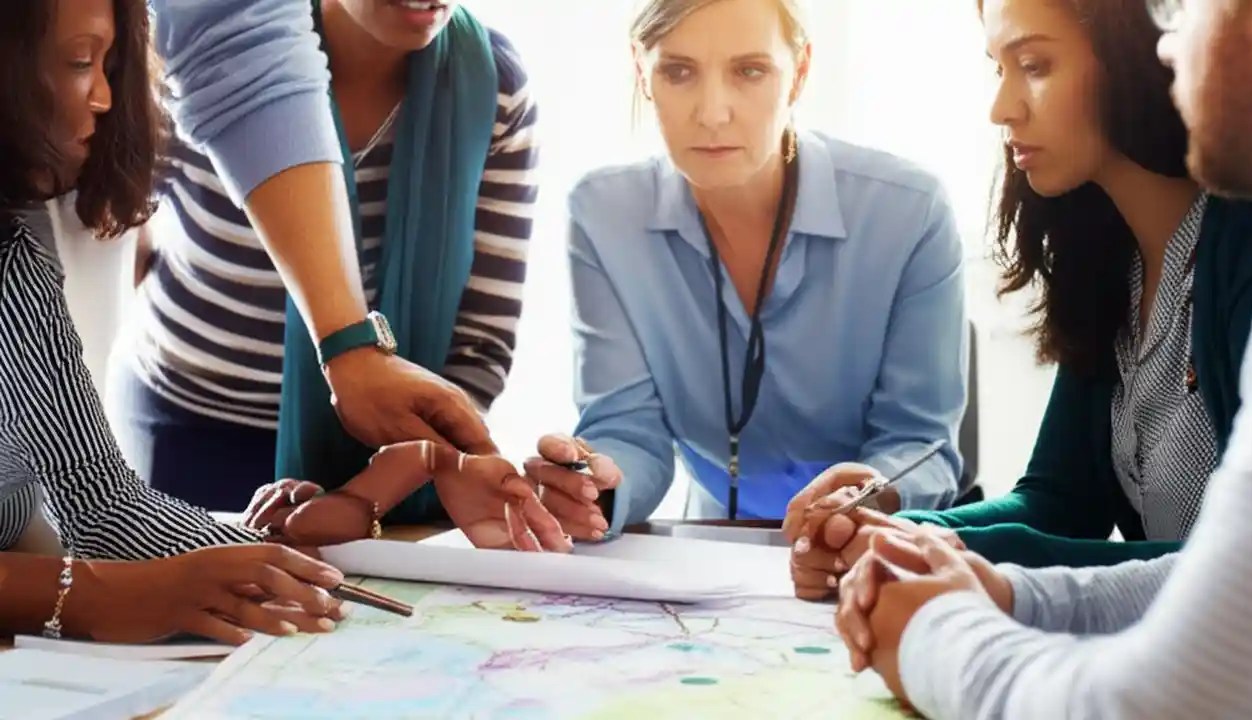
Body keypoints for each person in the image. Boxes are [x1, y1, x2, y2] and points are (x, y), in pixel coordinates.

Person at [0, 0, 570, 644]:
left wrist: (302, 537)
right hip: (188, 432)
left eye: (107, 65)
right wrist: (90, 596)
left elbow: (98, 500)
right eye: (80, 62)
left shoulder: (20, 265)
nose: (106, 99)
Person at [834, 0, 1252, 717]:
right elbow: (1062, 502)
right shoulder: (1106, 254)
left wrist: (965, 584)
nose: (1001, 108)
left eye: (1035, 65)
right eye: (999, 69)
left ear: (1131, 56)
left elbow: (1237, 588)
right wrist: (902, 535)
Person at [523, 0, 969, 530]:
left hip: (870, 544)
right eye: (678, 72)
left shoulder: (909, 210)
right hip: (711, 550)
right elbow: (626, 430)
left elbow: (920, 444)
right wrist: (593, 489)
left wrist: (865, 500)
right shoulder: (603, 213)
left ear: (799, 73)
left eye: (750, 71)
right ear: (642, 70)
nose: (713, 113)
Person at [110, 0, 539, 520]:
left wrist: (386, 482)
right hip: (188, 431)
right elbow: (116, 234)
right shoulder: (203, 54)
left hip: (381, 454)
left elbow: (480, 342)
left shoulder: (492, 87)